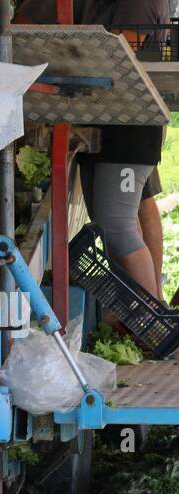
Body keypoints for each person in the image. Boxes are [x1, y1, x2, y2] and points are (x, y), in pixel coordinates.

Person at [16, 0, 170, 298]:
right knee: (108, 224)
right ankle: (132, 311)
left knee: (118, 226)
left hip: (132, 123)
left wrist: (62, 50)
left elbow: (117, 54)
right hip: (98, 119)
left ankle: (151, 319)